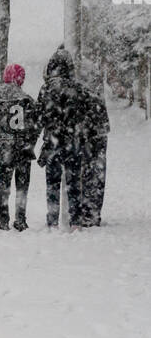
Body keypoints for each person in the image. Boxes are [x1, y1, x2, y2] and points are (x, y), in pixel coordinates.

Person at [36, 46, 85, 229]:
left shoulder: (45, 88)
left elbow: (39, 117)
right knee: (73, 184)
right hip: (72, 142)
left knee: (53, 184)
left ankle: (52, 221)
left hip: (52, 142)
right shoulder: (76, 88)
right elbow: (82, 116)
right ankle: (75, 221)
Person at [0, 63, 40, 230]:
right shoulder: (26, 99)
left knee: (4, 184)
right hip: (23, 148)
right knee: (22, 185)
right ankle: (20, 218)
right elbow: (34, 125)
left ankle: (2, 218)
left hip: (4, 147)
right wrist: (30, 141)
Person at [78, 60, 110, 226]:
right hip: (98, 125)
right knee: (97, 170)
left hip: (85, 127)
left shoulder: (74, 69)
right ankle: (93, 211)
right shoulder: (91, 67)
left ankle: (83, 211)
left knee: (83, 168)